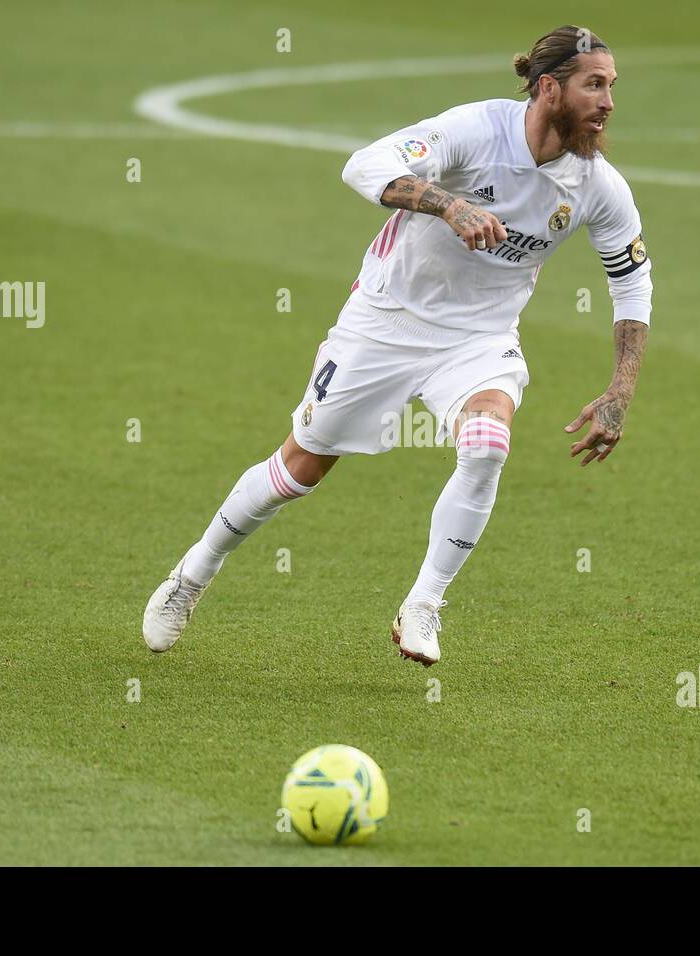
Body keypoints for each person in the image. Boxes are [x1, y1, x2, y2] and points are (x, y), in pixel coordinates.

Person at [143, 24, 652, 666]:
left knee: (488, 444)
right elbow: (364, 164)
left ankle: (424, 604)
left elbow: (632, 283)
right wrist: (447, 205)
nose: (607, 102)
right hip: (385, 320)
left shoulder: (597, 186)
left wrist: (620, 391)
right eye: (594, 85)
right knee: (299, 469)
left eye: (611, 87)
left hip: (478, 338)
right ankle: (191, 575)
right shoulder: (475, 131)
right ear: (549, 88)